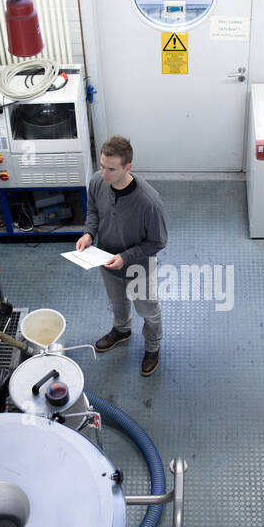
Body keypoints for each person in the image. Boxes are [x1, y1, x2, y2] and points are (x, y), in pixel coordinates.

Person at [78, 135, 168, 376]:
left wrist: (125, 257)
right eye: (102, 166)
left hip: (138, 268)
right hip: (106, 262)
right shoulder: (98, 182)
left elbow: (158, 242)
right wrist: (89, 233)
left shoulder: (149, 202)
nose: (103, 175)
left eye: (111, 169)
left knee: (148, 311)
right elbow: (93, 210)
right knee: (117, 302)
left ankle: (152, 347)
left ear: (128, 167)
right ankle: (122, 330)